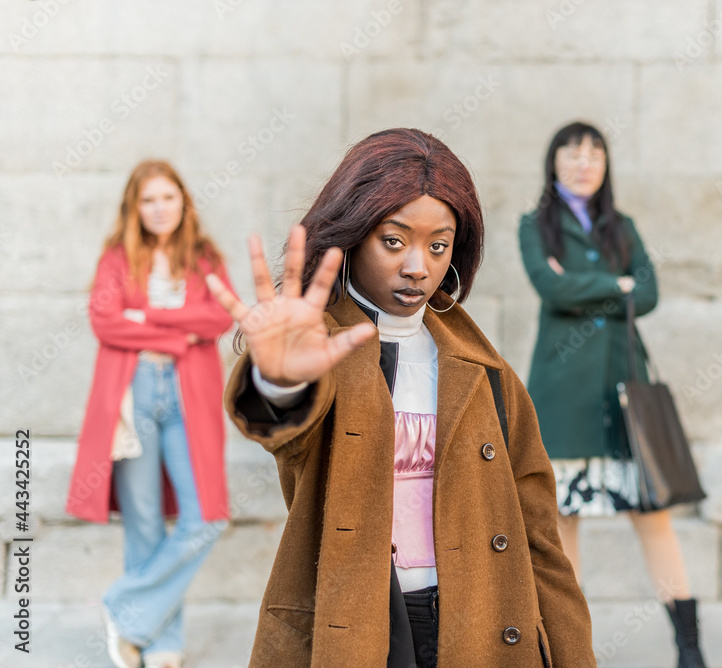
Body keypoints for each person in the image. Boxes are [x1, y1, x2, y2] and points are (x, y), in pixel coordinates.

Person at [207, 128, 596, 667]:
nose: (418, 265)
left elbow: (541, 546)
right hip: (362, 628)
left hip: (478, 628)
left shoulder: (488, 374)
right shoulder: (321, 349)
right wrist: (278, 379)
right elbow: (282, 428)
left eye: (438, 245)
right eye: (394, 241)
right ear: (352, 236)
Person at [518, 121, 708, 668]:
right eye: (572, 153)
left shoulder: (621, 226)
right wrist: (616, 286)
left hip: (625, 391)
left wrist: (607, 288)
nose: (584, 162)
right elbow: (549, 286)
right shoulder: (535, 225)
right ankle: (567, 649)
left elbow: (646, 293)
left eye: (594, 153)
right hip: (562, 395)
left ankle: (690, 649)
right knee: (562, 524)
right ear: (553, 162)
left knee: (653, 517)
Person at [66, 160, 236, 668]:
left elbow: (220, 316)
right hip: (134, 393)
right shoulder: (119, 258)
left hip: (187, 396)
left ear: (183, 201)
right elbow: (105, 321)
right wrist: (178, 333)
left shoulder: (204, 258)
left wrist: (148, 317)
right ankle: (155, 642)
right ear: (133, 208)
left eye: (168, 197)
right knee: (143, 521)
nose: (159, 208)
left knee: (204, 516)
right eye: (148, 200)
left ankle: (123, 606)